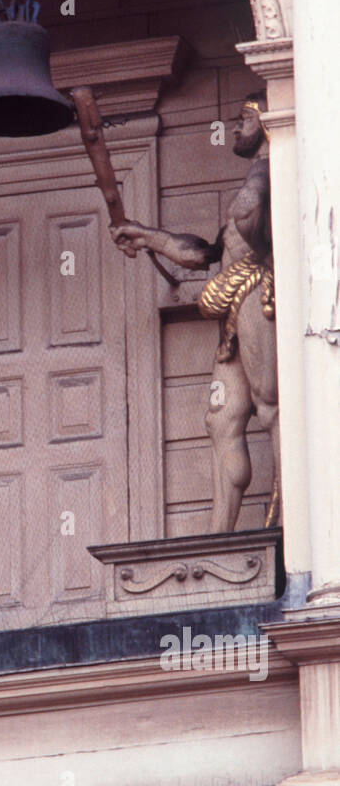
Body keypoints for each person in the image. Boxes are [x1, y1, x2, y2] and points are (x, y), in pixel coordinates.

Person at [110, 93, 279, 531]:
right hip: (234, 315)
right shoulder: (257, 176)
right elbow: (205, 253)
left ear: (267, 124)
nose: (235, 126)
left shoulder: (271, 168)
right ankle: (219, 539)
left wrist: (257, 238)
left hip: (260, 300)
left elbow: (251, 210)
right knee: (221, 420)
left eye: (244, 119)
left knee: (272, 408)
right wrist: (148, 237)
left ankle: (290, 527)